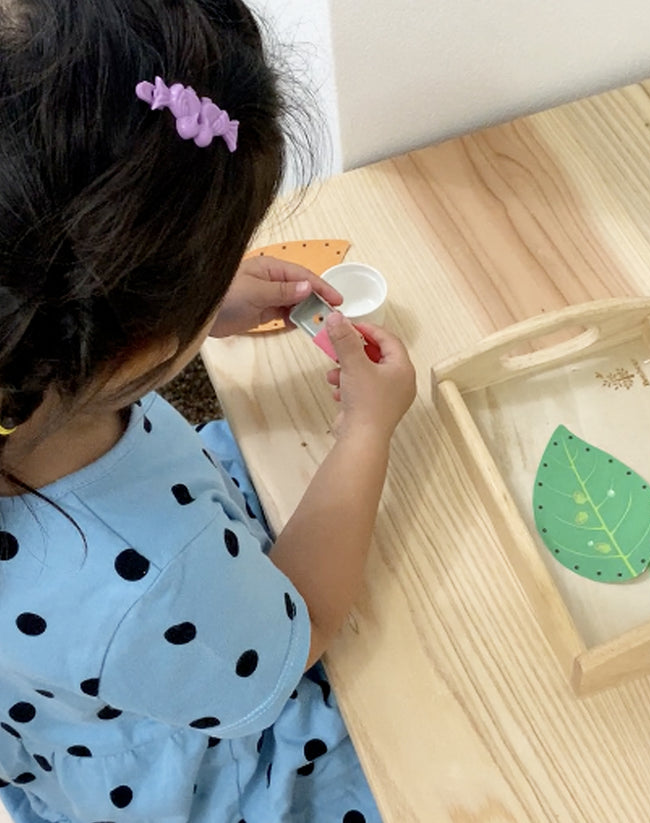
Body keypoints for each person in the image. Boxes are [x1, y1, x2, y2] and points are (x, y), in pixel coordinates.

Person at [0, 2, 416, 823]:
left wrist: (195, 304)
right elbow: (300, 628)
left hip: (61, 714)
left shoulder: (31, 379)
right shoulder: (158, 572)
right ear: (137, 341)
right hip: (201, 757)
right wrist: (366, 431)